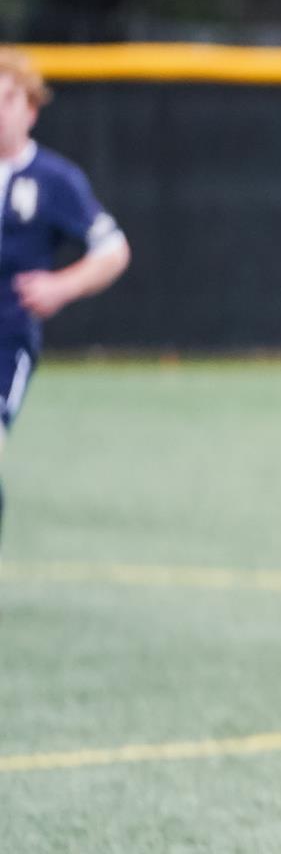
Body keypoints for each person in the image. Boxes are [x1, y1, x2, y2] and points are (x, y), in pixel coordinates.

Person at [0, 49, 131, 567]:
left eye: (8, 100)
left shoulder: (54, 180)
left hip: (5, 338)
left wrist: (62, 286)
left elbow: (113, 249)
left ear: (30, 110)